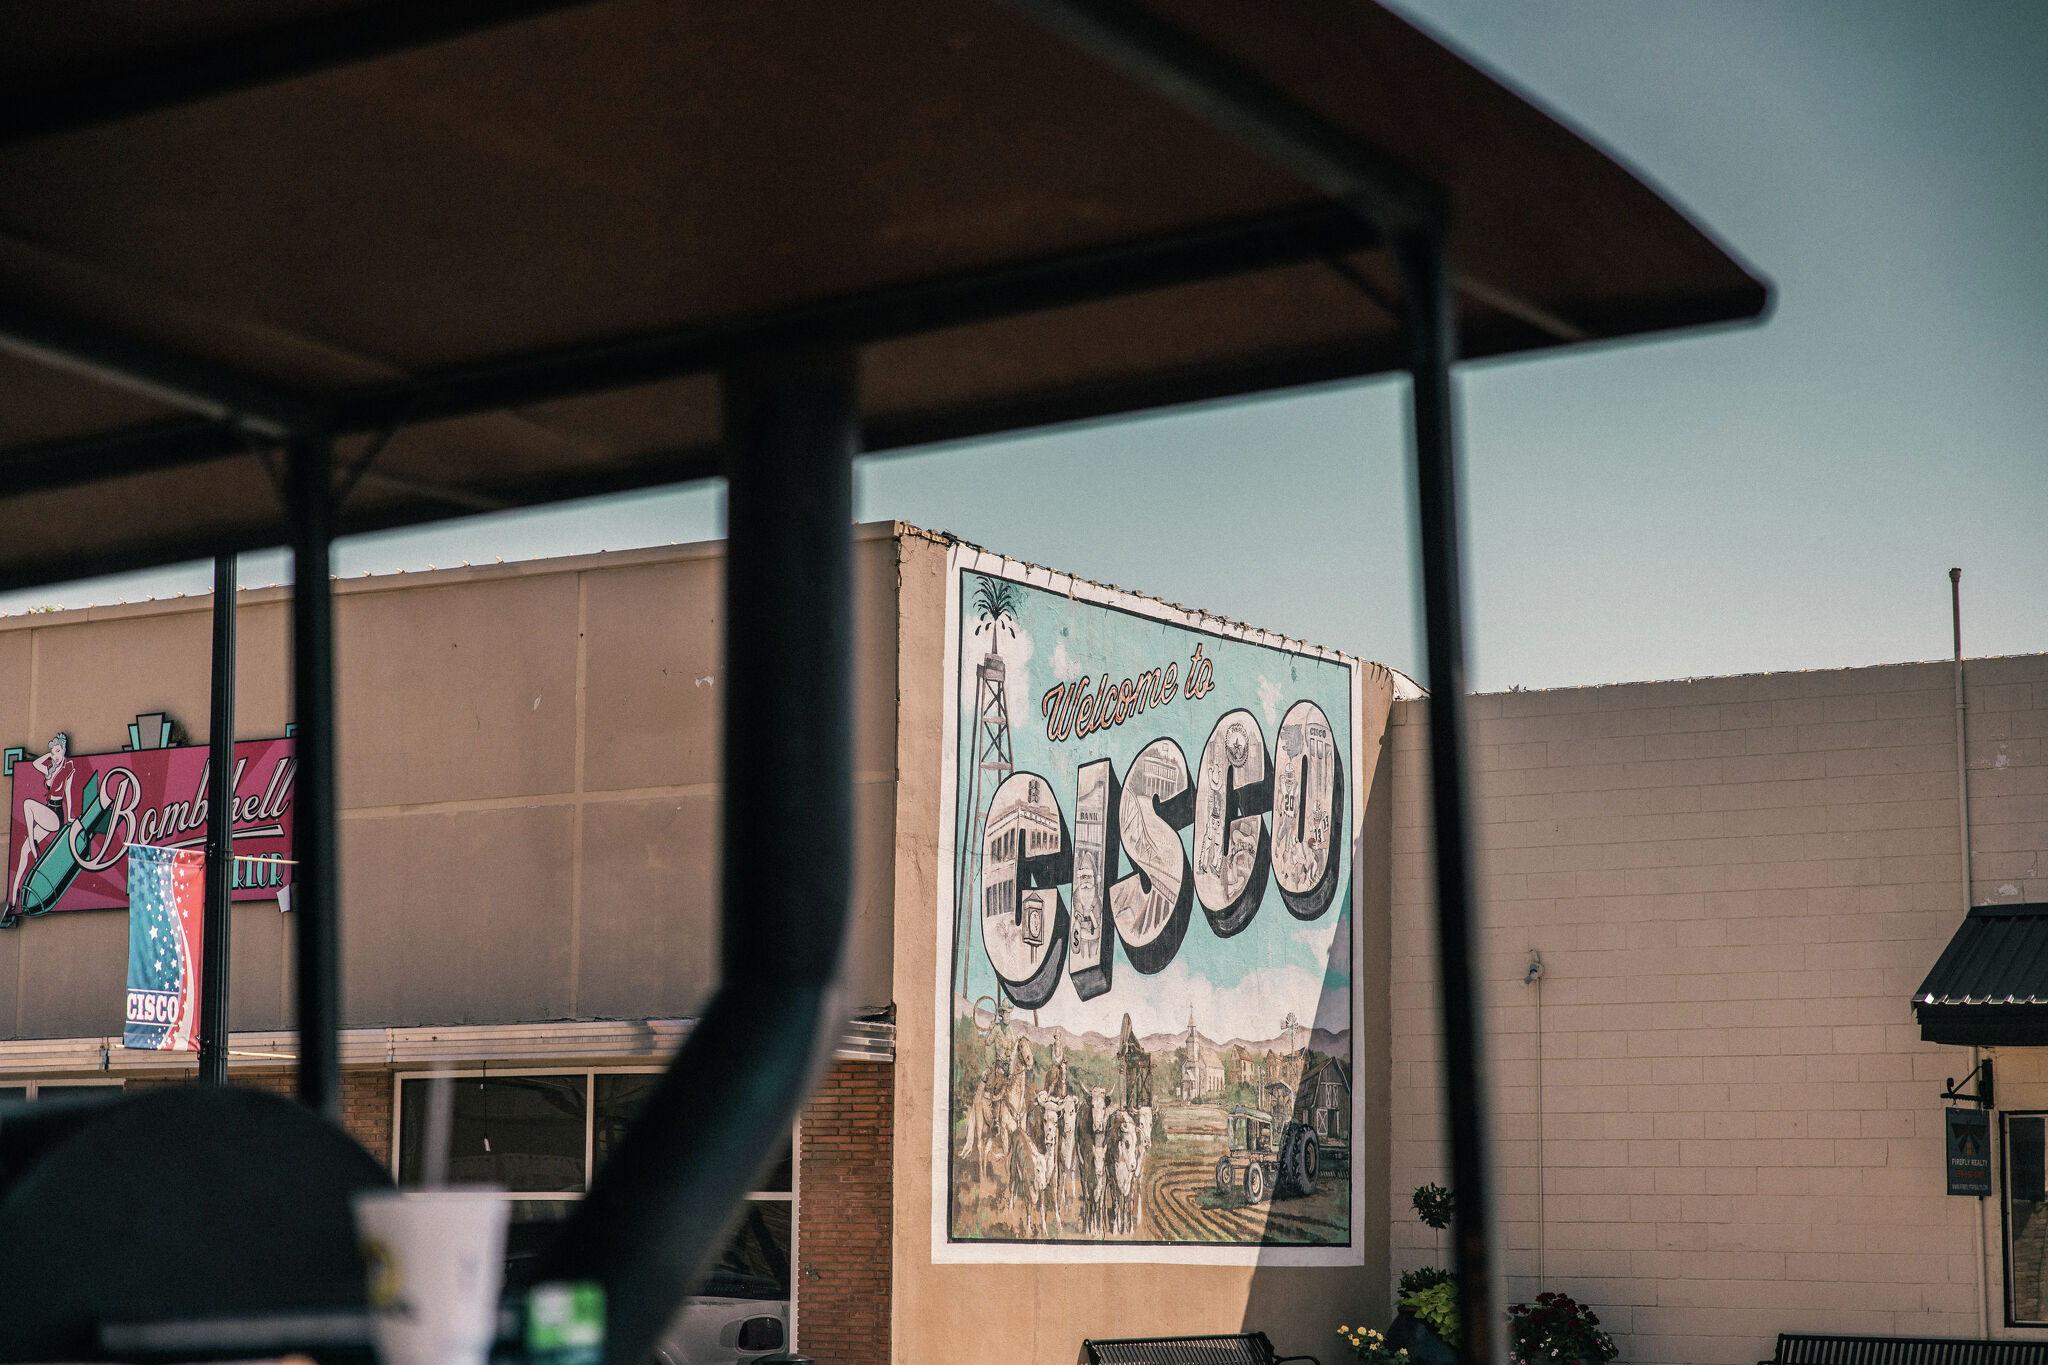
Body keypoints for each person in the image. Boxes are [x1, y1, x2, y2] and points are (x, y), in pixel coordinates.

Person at [9, 733, 76, 917]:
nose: (55, 755)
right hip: (47, 813)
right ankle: (13, 898)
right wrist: (50, 755)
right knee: (23, 851)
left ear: (64, 750)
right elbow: (35, 764)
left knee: (28, 804)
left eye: (58, 751)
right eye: (53, 752)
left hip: (56, 815)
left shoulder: (68, 768)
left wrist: (70, 816)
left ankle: (33, 844)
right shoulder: (50, 770)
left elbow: (68, 793)